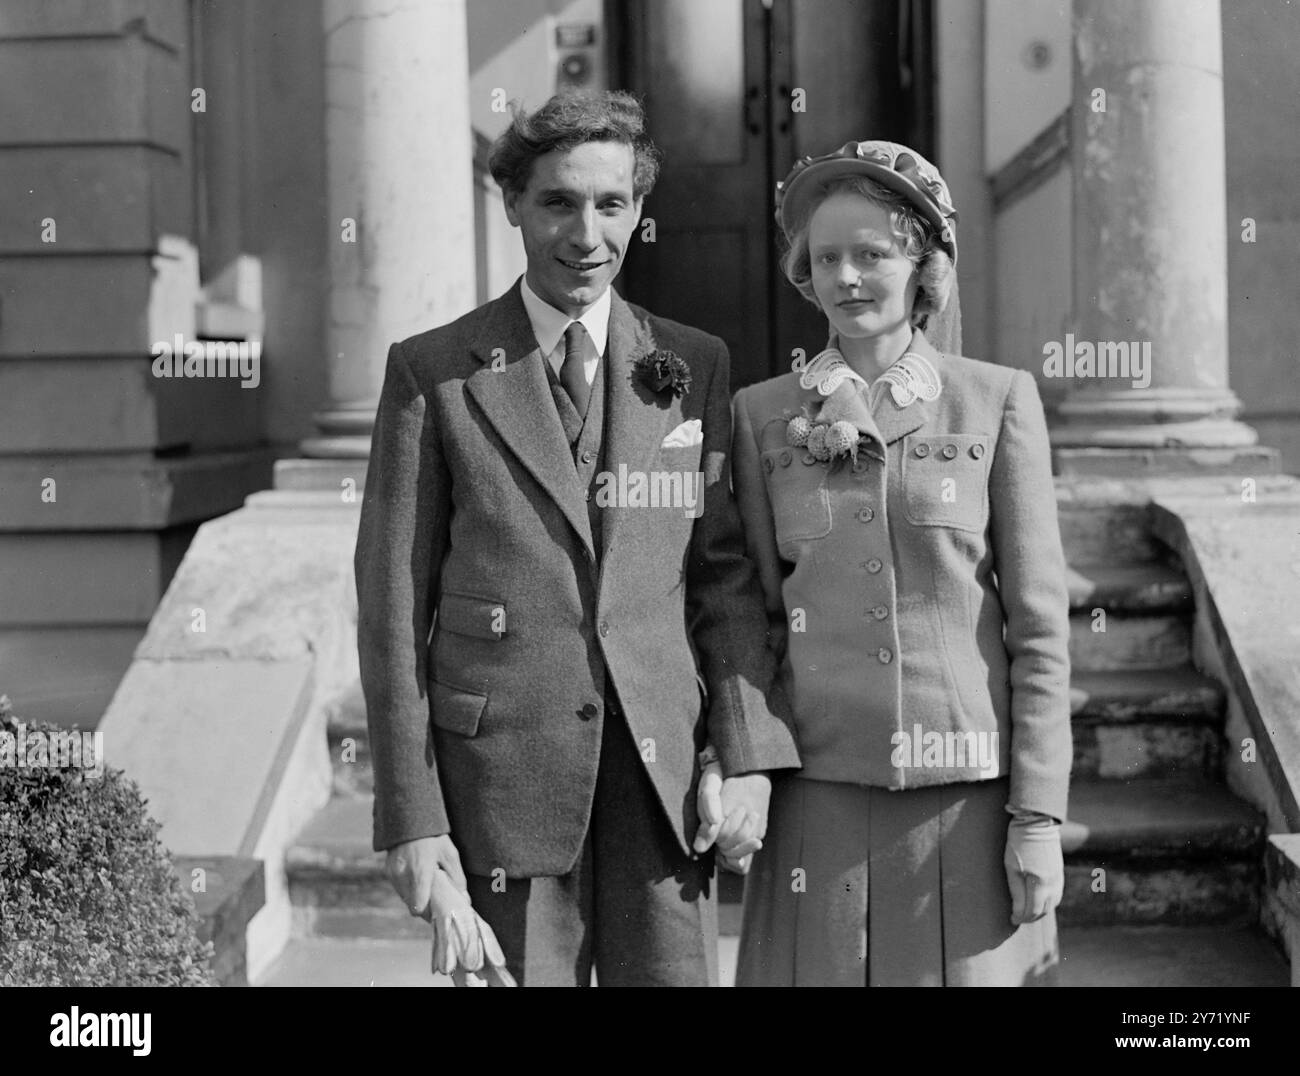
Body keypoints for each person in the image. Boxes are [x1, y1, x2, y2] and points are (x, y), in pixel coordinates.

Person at [353, 90, 800, 987]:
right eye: (558, 202)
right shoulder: (432, 372)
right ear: (514, 205)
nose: (586, 233)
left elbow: (721, 580)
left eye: (611, 204)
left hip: (661, 786)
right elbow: (393, 605)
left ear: (637, 211)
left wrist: (747, 757)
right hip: (500, 786)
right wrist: (411, 814)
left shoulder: (692, 363)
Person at [730, 140, 1072, 986]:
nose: (847, 277)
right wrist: (742, 768)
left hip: (965, 805)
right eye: (826, 257)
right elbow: (752, 619)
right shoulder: (762, 416)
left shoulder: (994, 400)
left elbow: (1039, 628)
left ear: (924, 264)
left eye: (872, 254)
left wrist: (1037, 817)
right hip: (817, 799)